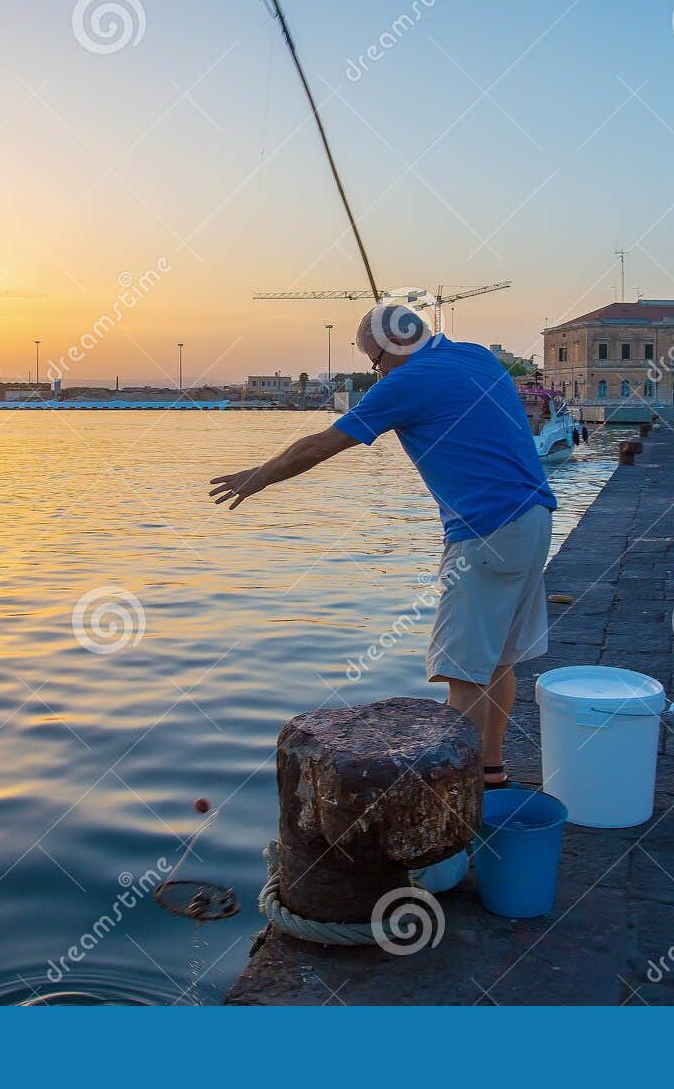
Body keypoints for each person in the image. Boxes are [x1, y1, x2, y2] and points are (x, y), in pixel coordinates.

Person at [209, 303, 557, 788]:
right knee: (497, 659)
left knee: (463, 672)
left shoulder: (405, 382)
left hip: (486, 532)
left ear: (390, 350)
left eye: (375, 362)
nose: (378, 372)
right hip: (535, 519)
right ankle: (490, 775)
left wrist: (259, 476)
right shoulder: (476, 356)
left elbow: (319, 446)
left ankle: (457, 796)